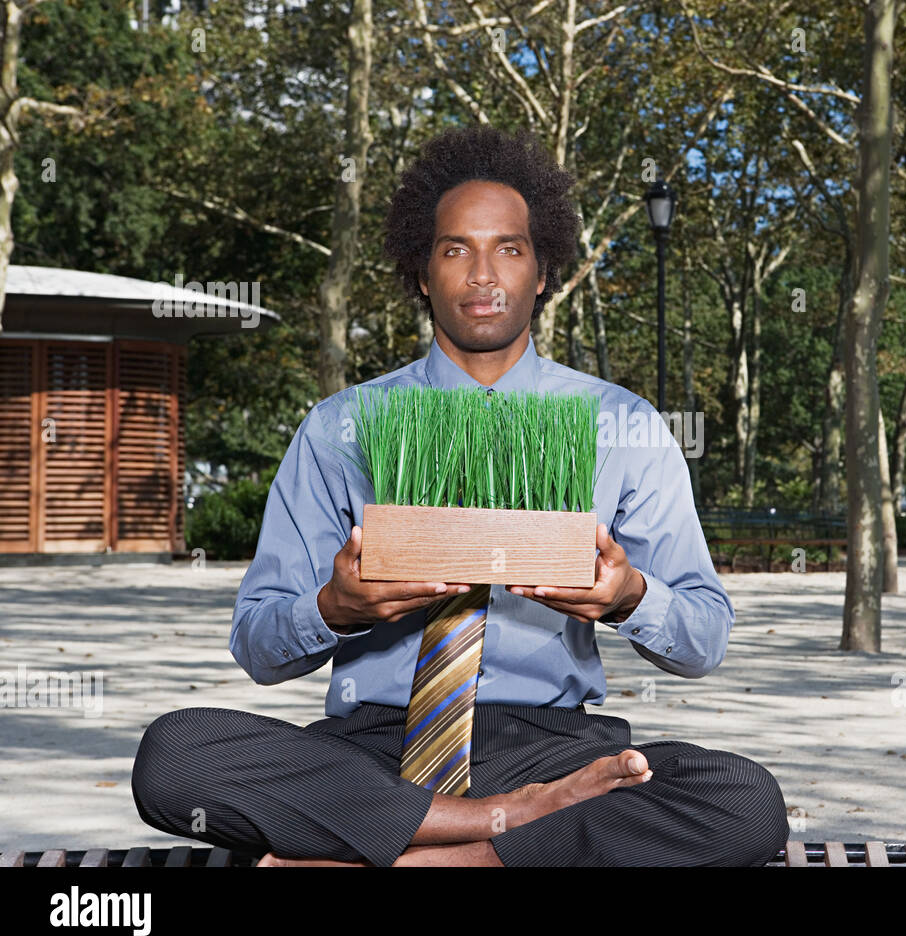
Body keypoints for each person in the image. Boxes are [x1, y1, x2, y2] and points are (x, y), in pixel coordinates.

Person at [130, 124, 789, 867]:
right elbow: (258, 644)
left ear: (543, 272)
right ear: (421, 272)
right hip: (369, 752)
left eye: (509, 248)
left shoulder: (624, 426)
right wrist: (331, 610)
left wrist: (630, 595)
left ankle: (438, 856)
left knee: (744, 801)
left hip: (551, 745)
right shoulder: (339, 428)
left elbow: (704, 638)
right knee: (173, 758)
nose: (483, 273)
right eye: (456, 249)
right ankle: (505, 824)